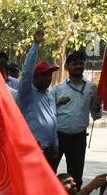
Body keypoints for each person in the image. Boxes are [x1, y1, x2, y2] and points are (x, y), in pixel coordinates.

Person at [53, 50, 102, 184]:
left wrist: (97, 107)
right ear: (67, 67)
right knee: (50, 174)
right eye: (75, 64)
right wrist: (58, 103)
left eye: (81, 63)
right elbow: (48, 112)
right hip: (58, 138)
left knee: (76, 178)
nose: (79, 66)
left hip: (78, 139)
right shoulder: (58, 88)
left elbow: (96, 116)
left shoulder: (91, 87)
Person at [16, 30, 59, 168]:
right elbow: (27, 71)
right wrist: (35, 45)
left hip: (48, 149)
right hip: (31, 148)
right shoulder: (26, 93)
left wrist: (56, 144)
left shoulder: (50, 95)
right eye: (44, 75)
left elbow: (53, 121)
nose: (48, 78)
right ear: (35, 77)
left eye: (50, 75)